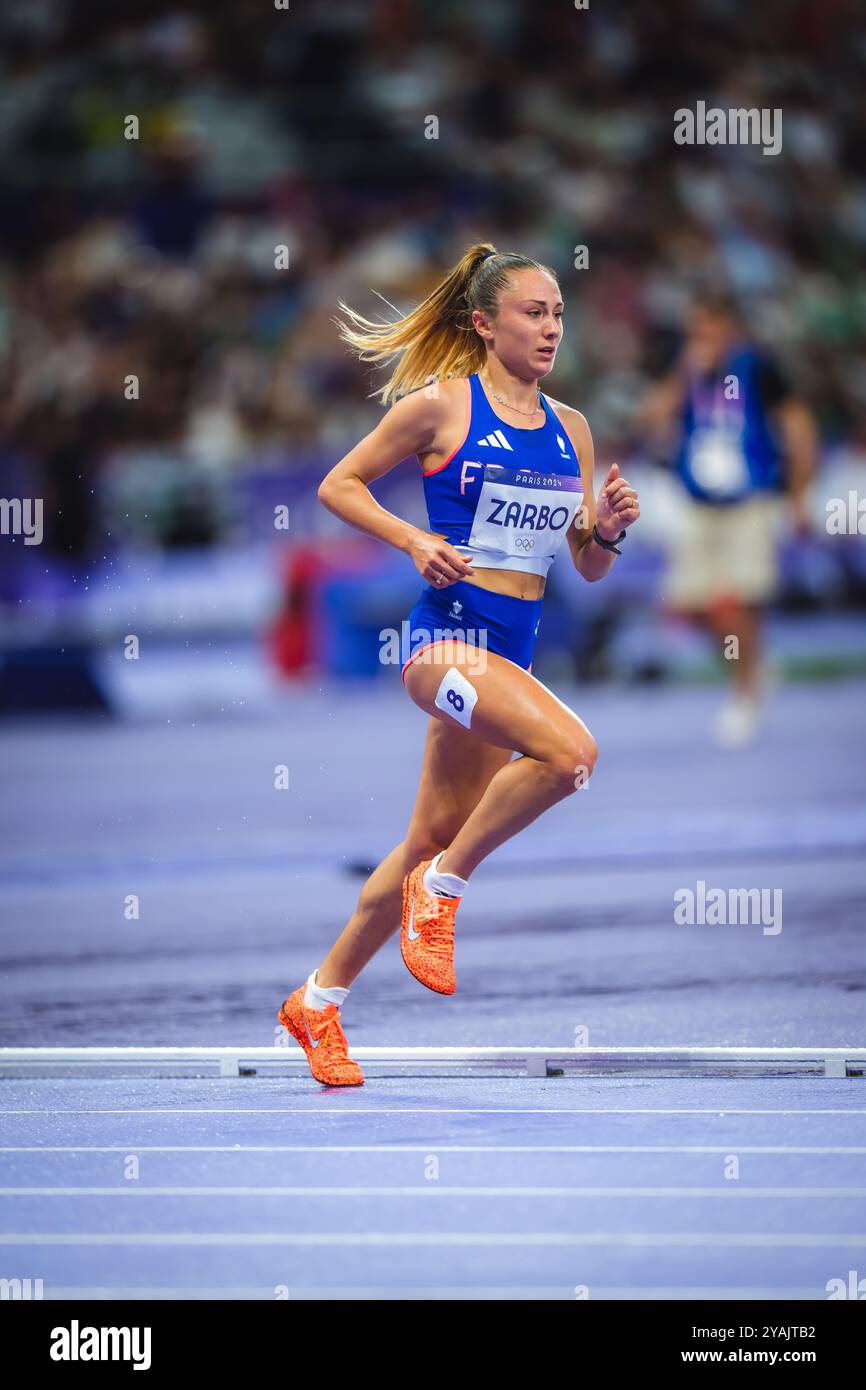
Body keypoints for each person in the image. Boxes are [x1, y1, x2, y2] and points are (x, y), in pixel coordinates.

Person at [277, 243, 640, 1085]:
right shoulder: (441, 407)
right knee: (571, 756)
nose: (551, 328)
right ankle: (442, 892)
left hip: (506, 658)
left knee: (424, 839)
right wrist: (413, 541)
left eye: (557, 313)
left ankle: (318, 1002)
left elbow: (584, 563)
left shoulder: (572, 429)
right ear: (483, 324)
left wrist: (609, 529)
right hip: (443, 643)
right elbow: (339, 484)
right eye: (532, 313)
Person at [640, 290, 816, 745]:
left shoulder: (759, 367)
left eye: (711, 330)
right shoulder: (686, 368)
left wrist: (799, 495)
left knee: (738, 602)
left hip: (749, 503)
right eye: (696, 330)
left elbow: (799, 429)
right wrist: (684, 374)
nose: (703, 339)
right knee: (684, 606)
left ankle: (745, 695)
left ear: (730, 329)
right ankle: (751, 666)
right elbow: (651, 417)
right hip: (699, 505)